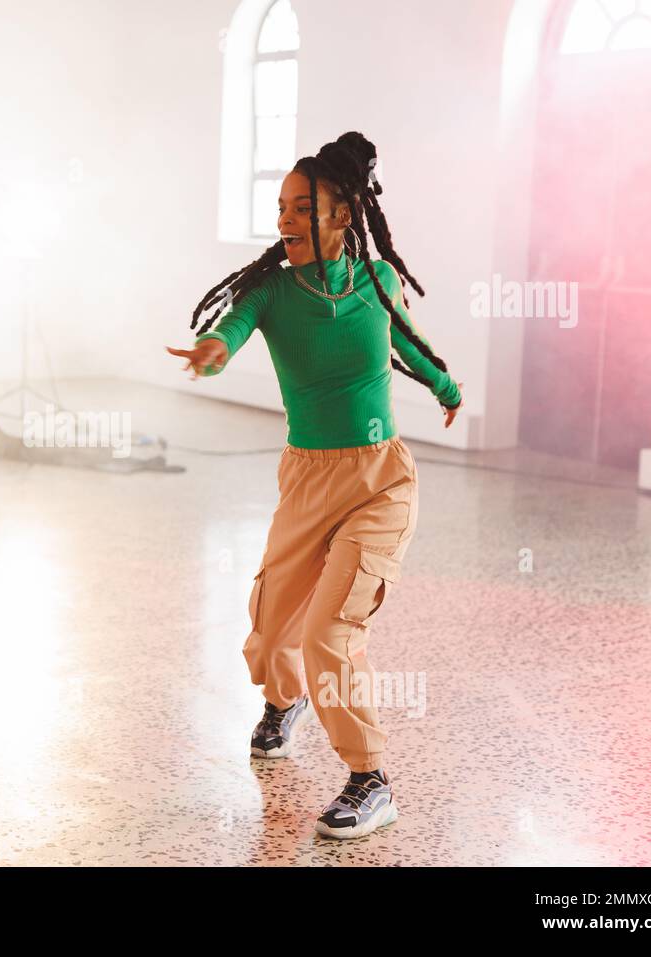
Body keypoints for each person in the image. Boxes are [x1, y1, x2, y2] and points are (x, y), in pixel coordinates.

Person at [166, 132, 463, 840]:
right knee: (272, 635)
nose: (285, 220)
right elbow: (232, 328)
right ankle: (285, 700)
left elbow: (409, 343)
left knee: (332, 631)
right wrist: (212, 353)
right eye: (281, 207)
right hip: (307, 480)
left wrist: (447, 384)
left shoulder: (377, 282)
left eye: (302, 207)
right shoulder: (271, 290)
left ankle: (370, 779)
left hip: (379, 481)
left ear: (341, 214)